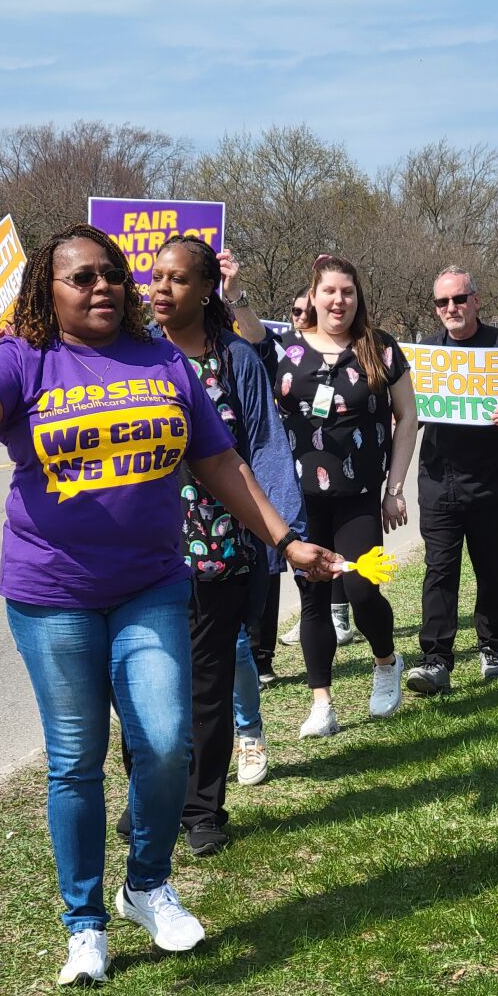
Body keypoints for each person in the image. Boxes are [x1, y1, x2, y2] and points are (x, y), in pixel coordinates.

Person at [0, 224, 337, 987]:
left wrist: (285, 540)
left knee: (165, 740)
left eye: (111, 276)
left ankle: (148, 883)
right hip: (51, 591)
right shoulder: (26, 357)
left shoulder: (163, 358)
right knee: (76, 758)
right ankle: (84, 925)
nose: (101, 287)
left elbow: (219, 459)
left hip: (151, 583)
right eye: (81, 277)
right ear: (46, 291)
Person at [143, 234, 302, 853]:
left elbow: (264, 449)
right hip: (147, 553)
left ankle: (202, 809)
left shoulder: (236, 360)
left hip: (222, 552)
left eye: (177, 279)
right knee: (148, 690)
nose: (161, 288)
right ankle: (149, 801)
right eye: (156, 277)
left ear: (207, 289)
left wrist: (283, 538)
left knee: (207, 688)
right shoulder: (134, 356)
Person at [269, 254, 418, 736]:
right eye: (330, 291)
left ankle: (385, 661)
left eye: (348, 292)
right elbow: (248, 343)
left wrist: (394, 489)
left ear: (359, 298)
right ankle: (322, 704)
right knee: (312, 596)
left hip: (358, 495)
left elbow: (408, 420)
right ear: (313, 296)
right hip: (300, 499)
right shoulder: (286, 351)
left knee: (359, 587)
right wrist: (234, 296)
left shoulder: (381, 349)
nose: (339, 300)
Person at [404, 266, 498, 694]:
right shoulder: (425, 356)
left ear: (477, 301)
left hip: (489, 483)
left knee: (491, 568)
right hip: (437, 481)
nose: (452, 308)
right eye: (443, 302)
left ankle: (491, 648)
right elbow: (404, 416)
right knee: (439, 571)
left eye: (460, 299)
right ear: (436, 309)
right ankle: (435, 660)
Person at [234, 283, 357, 674]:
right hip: (283, 471)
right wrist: (237, 294)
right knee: (273, 559)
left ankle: (335, 616)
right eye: (295, 310)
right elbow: (256, 336)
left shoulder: (345, 353)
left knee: (310, 556)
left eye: (307, 311)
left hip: (330, 474)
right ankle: (264, 651)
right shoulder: (286, 350)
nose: (300, 317)